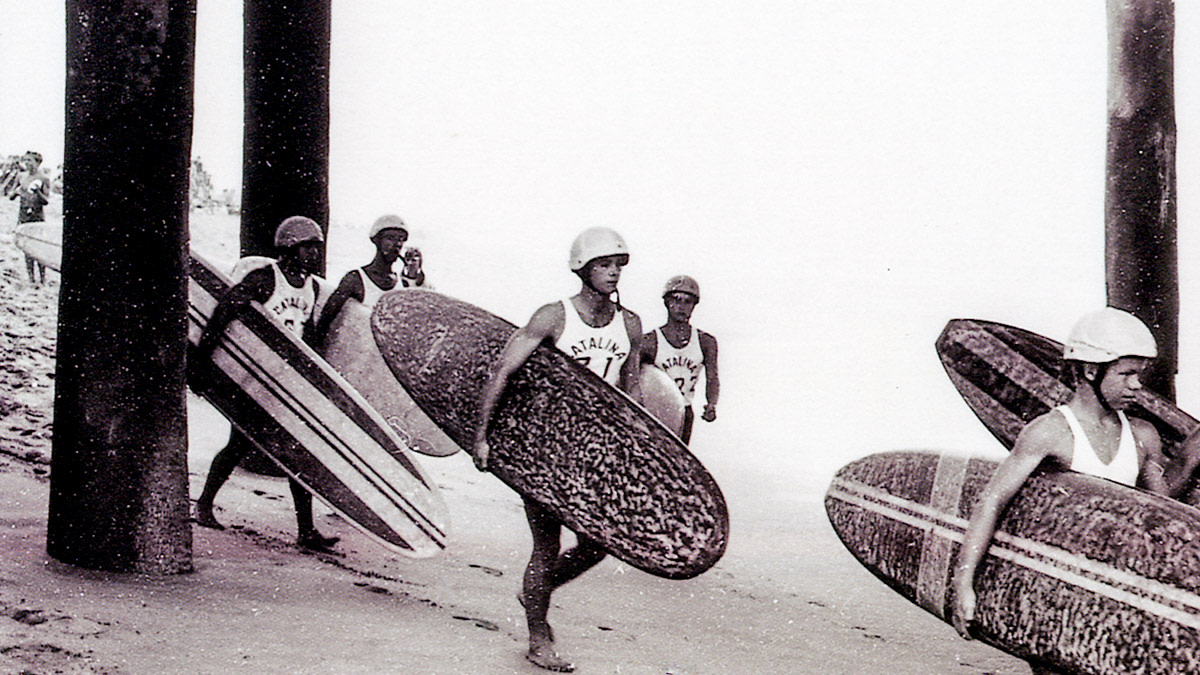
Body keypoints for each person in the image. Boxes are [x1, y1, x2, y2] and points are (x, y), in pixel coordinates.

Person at [951, 308, 1180, 674]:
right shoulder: (1050, 432)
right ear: (1091, 371)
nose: (1137, 386)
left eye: (1139, 375)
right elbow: (993, 499)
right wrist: (964, 583)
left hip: (1114, 594)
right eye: (1126, 374)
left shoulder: (1142, 436)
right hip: (1055, 594)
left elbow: (1166, 518)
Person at [472, 226, 644, 673]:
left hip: (596, 453)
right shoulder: (554, 316)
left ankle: (534, 592)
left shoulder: (630, 325)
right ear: (583, 268)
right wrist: (482, 436)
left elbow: (633, 399)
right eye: (605, 265)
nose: (613, 273)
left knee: (597, 544)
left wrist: (641, 457)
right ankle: (538, 636)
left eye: (618, 265)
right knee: (546, 546)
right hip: (545, 448)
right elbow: (503, 372)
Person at [194, 216, 339, 552]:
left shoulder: (311, 286)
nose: (315, 253)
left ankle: (306, 530)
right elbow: (224, 312)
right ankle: (203, 504)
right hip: (255, 379)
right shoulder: (264, 278)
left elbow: (308, 334)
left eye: (317, 247)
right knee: (238, 444)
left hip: (285, 384)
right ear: (289, 246)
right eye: (308, 247)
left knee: (296, 453)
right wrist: (202, 362)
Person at [314, 214, 427, 344]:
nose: (397, 244)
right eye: (390, 238)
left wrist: (415, 273)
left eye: (401, 239)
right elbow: (325, 320)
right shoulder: (355, 279)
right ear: (376, 240)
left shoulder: (403, 285)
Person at [642, 274, 719, 444]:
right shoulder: (649, 341)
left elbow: (712, 377)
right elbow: (632, 375)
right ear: (667, 303)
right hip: (652, 410)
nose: (681, 306)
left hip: (683, 411)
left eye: (688, 301)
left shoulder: (706, 342)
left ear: (694, 305)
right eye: (676, 299)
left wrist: (711, 404)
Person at [10, 152, 51, 284]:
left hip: (37, 214)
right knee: (26, 247)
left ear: (38, 163)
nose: (27, 163)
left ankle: (43, 278)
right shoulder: (21, 176)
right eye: (25, 160)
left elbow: (46, 201)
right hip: (23, 213)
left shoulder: (44, 178)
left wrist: (37, 191)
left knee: (38, 247)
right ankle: (31, 279)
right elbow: (11, 195)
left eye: (30, 161)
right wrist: (17, 192)